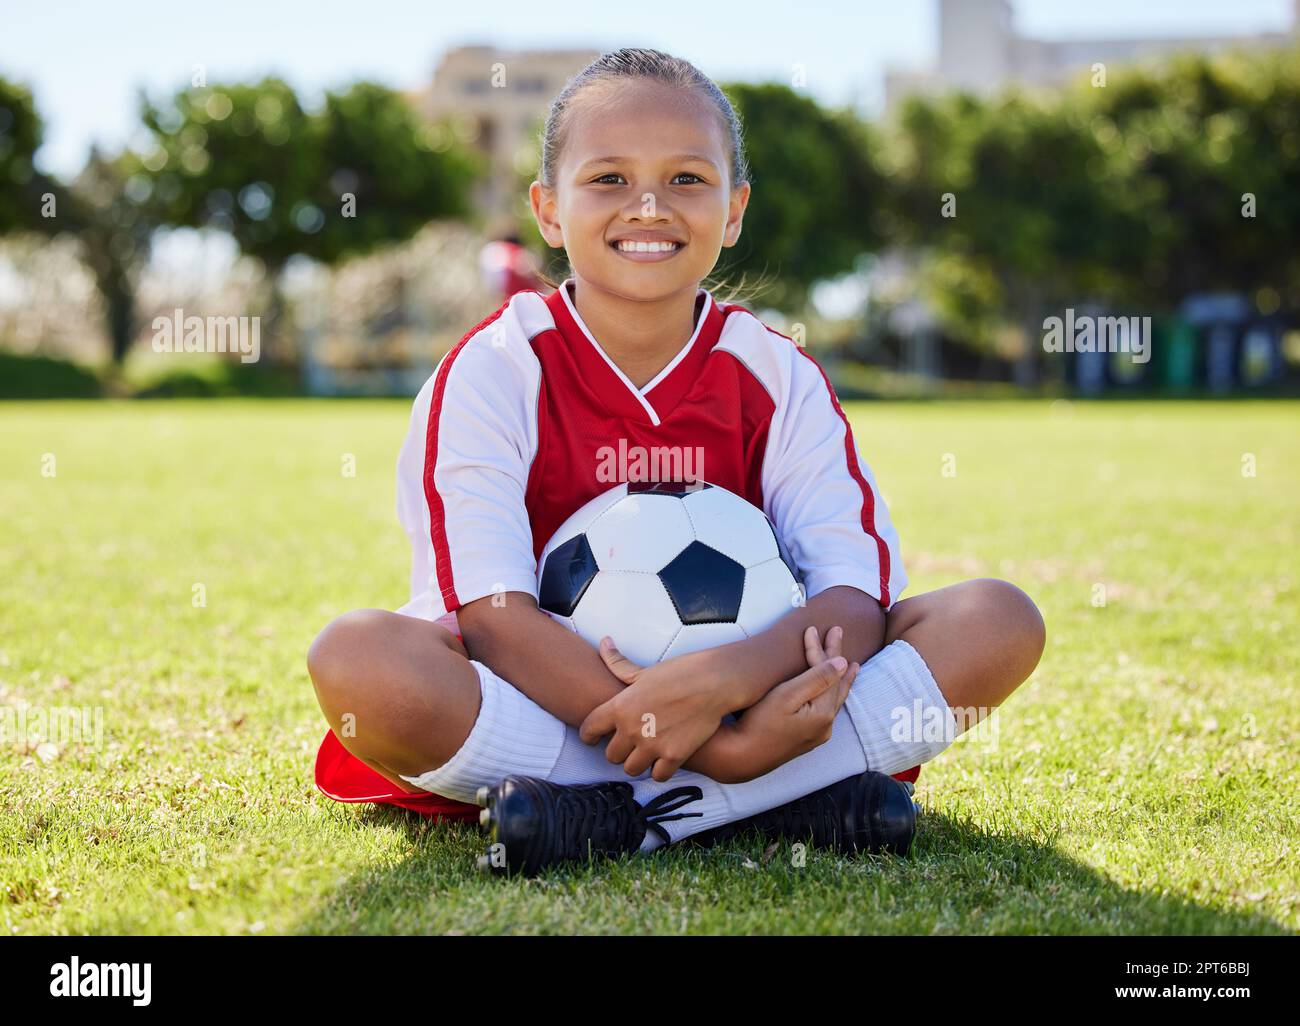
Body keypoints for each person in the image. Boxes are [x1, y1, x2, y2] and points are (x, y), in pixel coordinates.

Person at [307, 48, 1045, 876]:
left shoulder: (779, 374)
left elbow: (853, 594)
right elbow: (492, 614)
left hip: (758, 702)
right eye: (609, 179)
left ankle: (603, 819)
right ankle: (779, 801)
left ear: (734, 210)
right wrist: (722, 753)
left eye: (689, 179)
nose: (649, 206)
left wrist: (727, 683)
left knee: (996, 620)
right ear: (548, 210)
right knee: (360, 661)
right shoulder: (494, 367)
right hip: (548, 708)